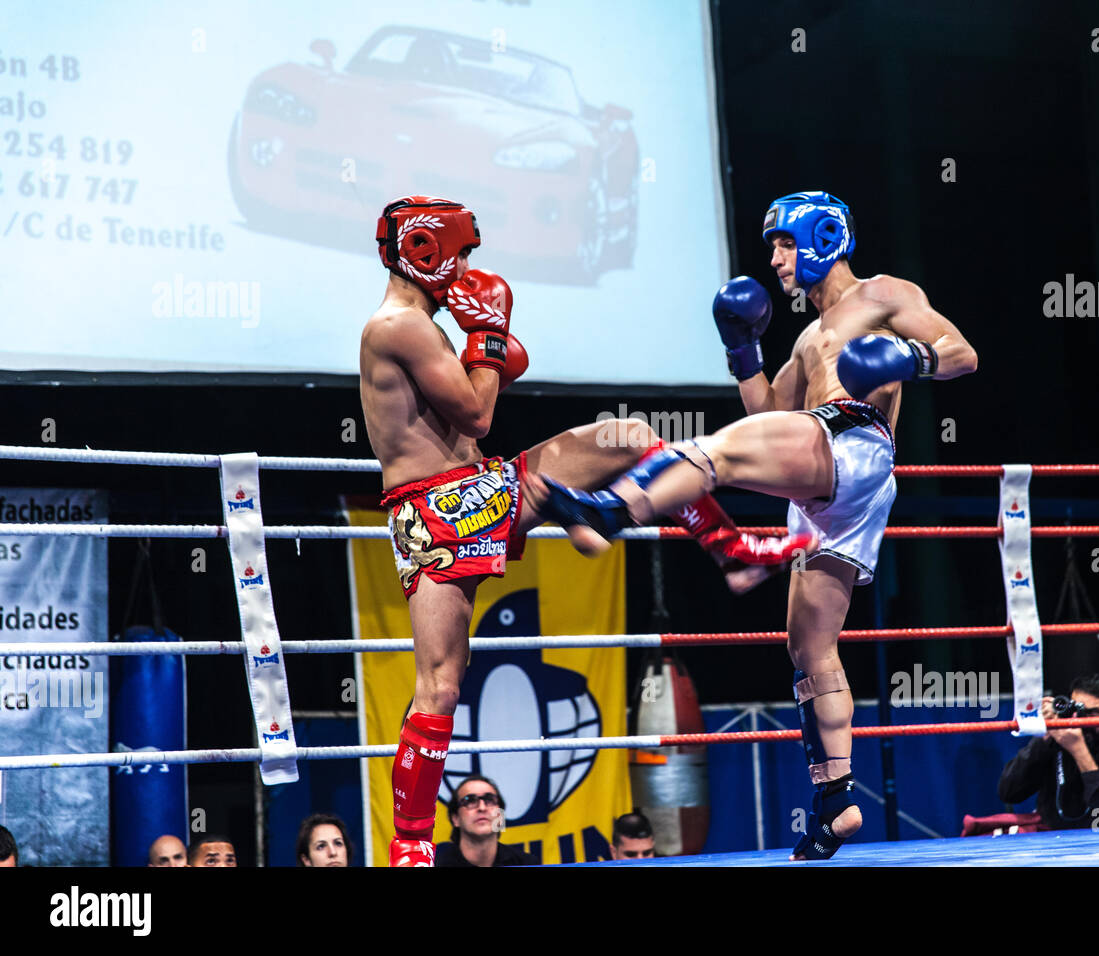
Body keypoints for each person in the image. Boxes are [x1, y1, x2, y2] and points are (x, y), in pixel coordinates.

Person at [361, 197, 809, 867]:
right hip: (437, 511)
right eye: (462, 253)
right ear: (430, 251)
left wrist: (487, 349)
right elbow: (478, 414)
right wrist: (487, 342)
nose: (466, 270)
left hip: (474, 494)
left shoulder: (419, 327)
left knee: (628, 436)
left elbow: (469, 415)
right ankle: (411, 848)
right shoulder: (402, 327)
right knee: (440, 687)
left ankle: (726, 547)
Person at [533, 191, 978, 859]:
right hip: (829, 479)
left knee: (712, 452)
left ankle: (612, 511)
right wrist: (742, 348)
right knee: (809, 648)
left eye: (785, 245)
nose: (773, 260)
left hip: (853, 448)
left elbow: (962, 352)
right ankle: (836, 803)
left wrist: (907, 361)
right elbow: (766, 410)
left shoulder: (886, 294)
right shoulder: (806, 339)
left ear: (825, 238)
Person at [997, 675, 1099, 830]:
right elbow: (1009, 792)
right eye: (1077, 710)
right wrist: (1044, 739)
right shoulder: (1059, 732)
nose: (1081, 719)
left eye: (1092, 713)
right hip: (1053, 835)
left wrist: (1079, 751)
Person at [434, 775, 537, 867]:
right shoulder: (435, 862)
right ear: (455, 818)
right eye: (470, 801)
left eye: (490, 800)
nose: (482, 808)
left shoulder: (526, 863)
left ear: (500, 816)